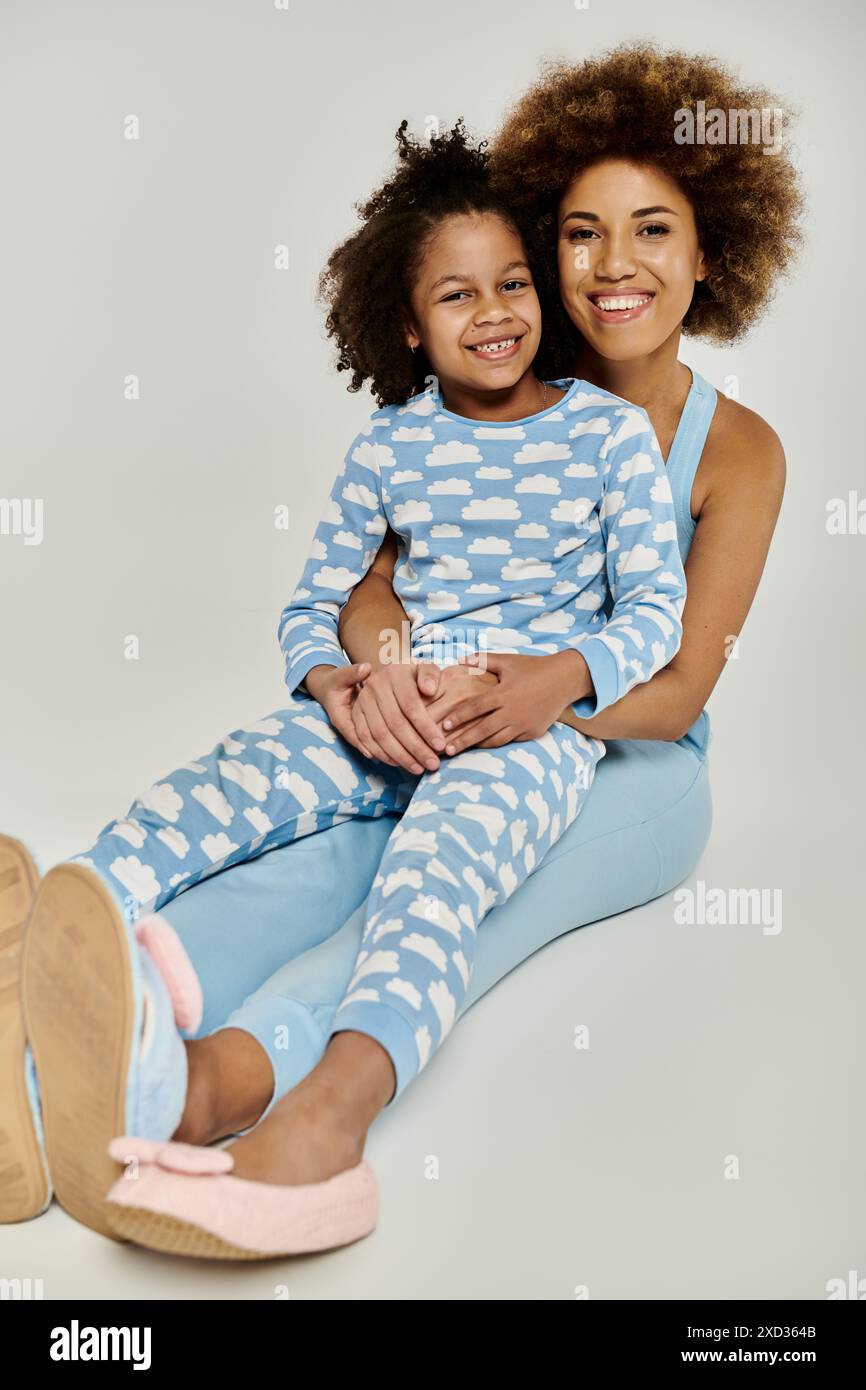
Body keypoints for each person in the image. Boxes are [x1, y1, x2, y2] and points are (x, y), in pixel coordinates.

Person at [0, 43, 801, 1260]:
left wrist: (527, 696)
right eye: (578, 235)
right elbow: (361, 590)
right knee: (305, 849)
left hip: (628, 754)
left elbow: (677, 670)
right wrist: (380, 682)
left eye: (652, 231)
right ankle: (63, 1058)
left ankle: (264, 1098)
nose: (612, 266)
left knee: (428, 887)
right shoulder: (493, 373)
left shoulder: (722, 448)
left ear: (711, 250)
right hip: (445, 710)